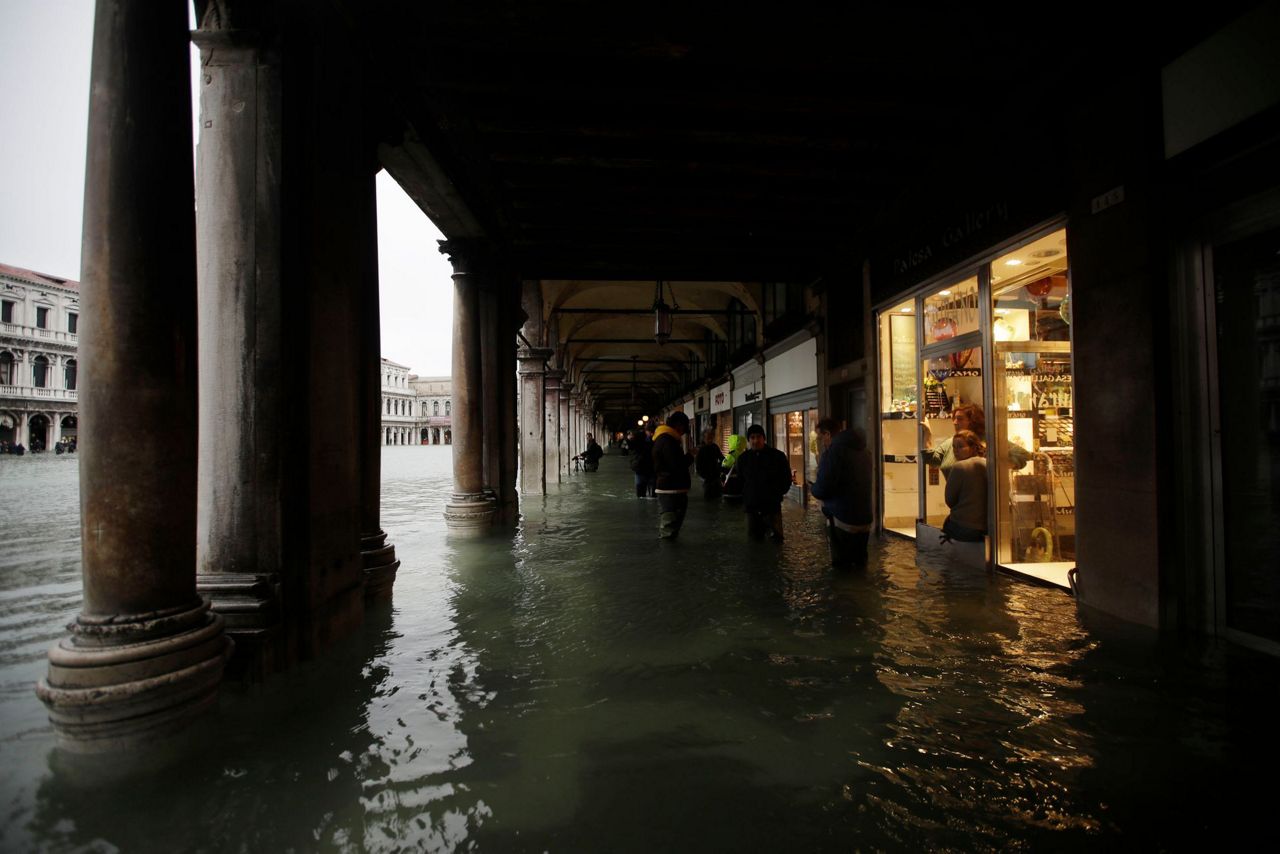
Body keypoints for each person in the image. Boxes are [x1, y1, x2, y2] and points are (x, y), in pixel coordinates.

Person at [810, 418, 873, 569]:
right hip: (864, 519)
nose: (822, 443)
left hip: (842, 518)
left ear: (827, 434)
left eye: (821, 438)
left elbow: (823, 488)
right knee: (860, 565)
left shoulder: (833, 452)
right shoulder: (864, 451)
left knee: (842, 568)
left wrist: (813, 489)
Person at [921, 402, 1029, 480]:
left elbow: (1023, 455)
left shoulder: (988, 440)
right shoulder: (951, 443)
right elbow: (932, 459)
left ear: (972, 421)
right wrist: (927, 434)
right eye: (954, 418)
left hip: (987, 504)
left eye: (960, 419)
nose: (954, 422)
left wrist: (995, 461)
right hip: (958, 504)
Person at [736, 424, 792, 541]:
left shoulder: (778, 456)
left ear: (764, 438)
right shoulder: (743, 459)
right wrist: (747, 496)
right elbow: (740, 481)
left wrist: (777, 494)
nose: (756, 441)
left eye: (758, 437)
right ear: (749, 440)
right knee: (754, 542)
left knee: (776, 543)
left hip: (772, 507)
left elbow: (786, 478)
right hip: (752, 508)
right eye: (752, 437)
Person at [652, 412, 694, 539]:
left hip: (672, 489)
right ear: (678, 425)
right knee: (669, 529)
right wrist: (691, 456)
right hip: (670, 490)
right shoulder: (667, 441)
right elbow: (676, 466)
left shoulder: (667, 439)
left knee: (671, 527)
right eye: (683, 429)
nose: (683, 433)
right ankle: (667, 556)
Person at [941, 429, 987, 543]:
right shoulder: (989, 463)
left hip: (963, 528)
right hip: (987, 527)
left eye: (960, 447)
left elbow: (950, 501)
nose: (956, 451)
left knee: (947, 523)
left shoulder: (959, 467)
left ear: (973, 447)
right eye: (954, 447)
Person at [694, 428, 725, 499]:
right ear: (704, 438)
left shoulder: (715, 447)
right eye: (708, 438)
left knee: (718, 495)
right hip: (706, 478)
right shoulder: (700, 449)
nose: (710, 440)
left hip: (716, 476)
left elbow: (721, 458)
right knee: (708, 496)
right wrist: (704, 476)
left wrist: (722, 466)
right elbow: (698, 465)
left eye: (711, 438)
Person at [629, 425, 655, 498]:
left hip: (646, 468)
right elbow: (632, 447)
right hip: (643, 467)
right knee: (642, 492)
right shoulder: (639, 438)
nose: (651, 434)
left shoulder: (654, 439)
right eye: (650, 432)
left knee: (644, 492)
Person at [720, 434, 747, 500]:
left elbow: (723, 472)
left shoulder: (730, 456)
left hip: (730, 490)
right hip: (742, 490)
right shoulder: (745, 455)